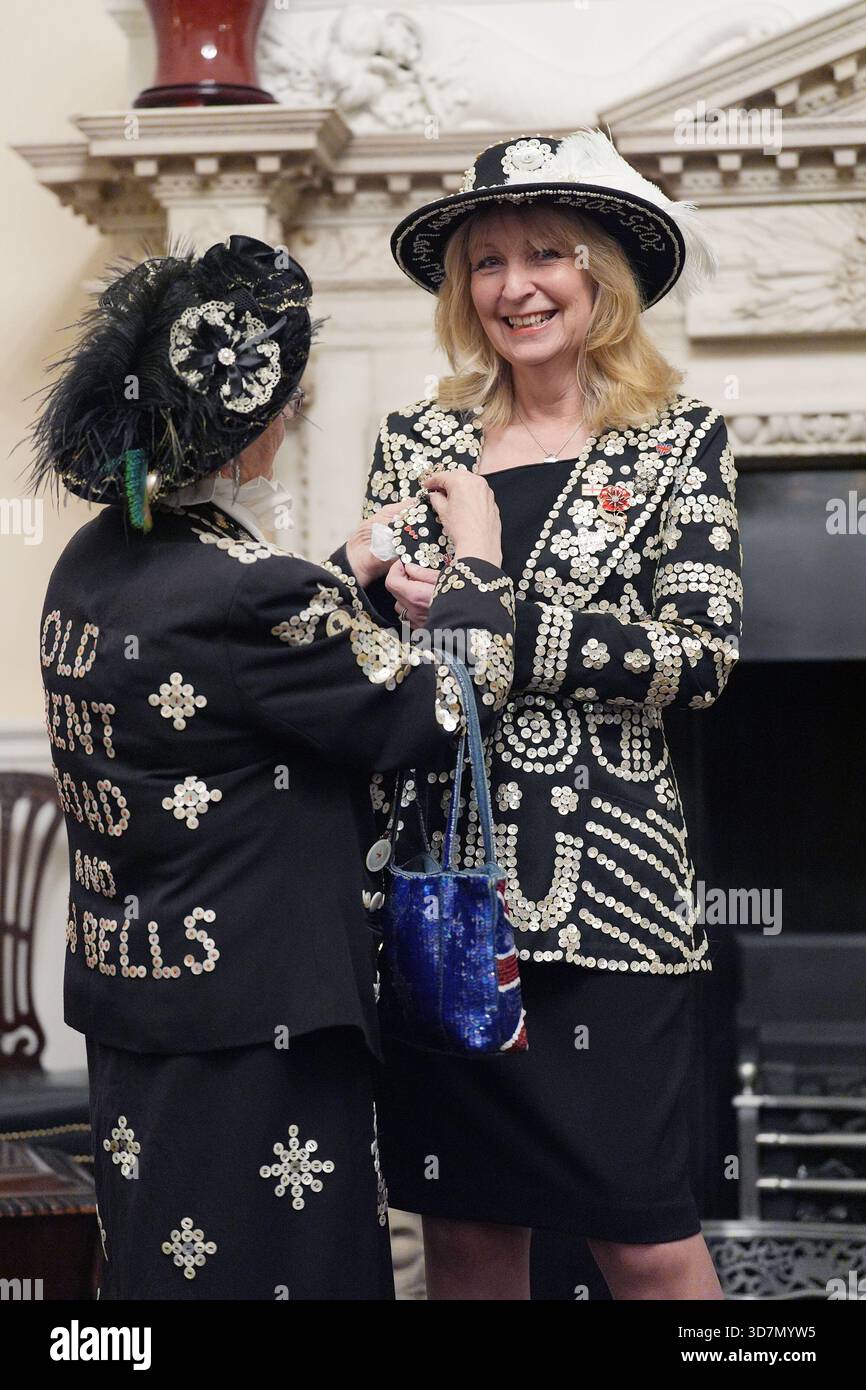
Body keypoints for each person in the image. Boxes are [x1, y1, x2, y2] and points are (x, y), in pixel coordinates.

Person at [30, 234, 515, 1299]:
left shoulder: (95, 556)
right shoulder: (254, 594)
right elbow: (435, 711)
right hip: (257, 1021)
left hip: (137, 1000)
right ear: (248, 429)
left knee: (163, 1274)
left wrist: (343, 569)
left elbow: (215, 676)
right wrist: (477, 559)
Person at [360, 130, 743, 1299]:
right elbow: (376, 654)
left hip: (610, 908)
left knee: (644, 1239)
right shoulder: (417, 441)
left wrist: (496, 616)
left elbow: (701, 655)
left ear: (600, 277)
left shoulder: (678, 442)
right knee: (466, 1237)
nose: (512, 286)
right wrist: (390, 611)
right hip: (441, 898)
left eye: (543, 254)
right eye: (484, 262)